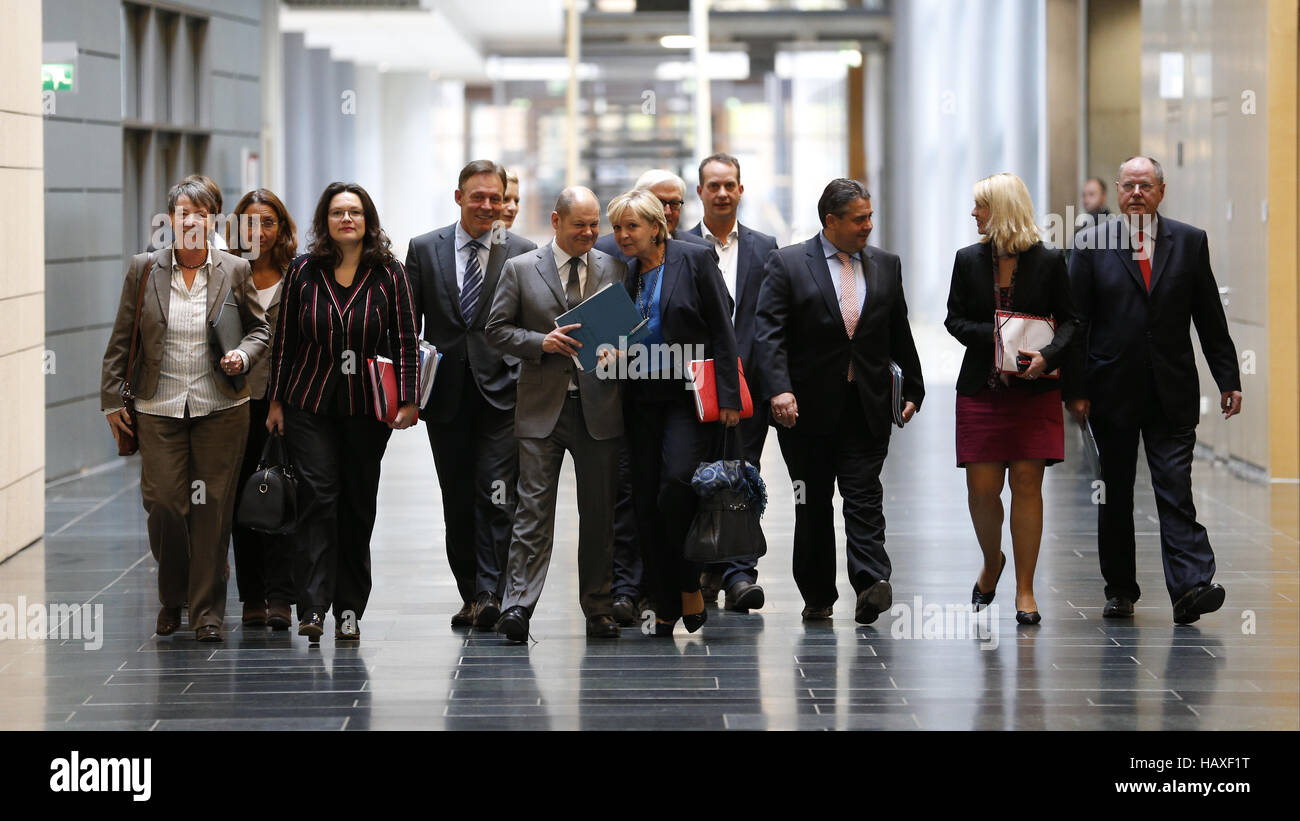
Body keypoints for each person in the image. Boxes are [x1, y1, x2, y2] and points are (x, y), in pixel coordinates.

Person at [1067, 156, 1242, 625]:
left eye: (1146, 186)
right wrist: (1075, 390)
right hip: (1110, 391)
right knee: (1115, 493)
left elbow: (1208, 315)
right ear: (1119, 193)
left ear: (1161, 191)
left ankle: (1191, 587)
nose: (1137, 194)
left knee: (1174, 488)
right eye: (1128, 186)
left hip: (1171, 390)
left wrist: (1228, 377)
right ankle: (1120, 588)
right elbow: (1076, 324)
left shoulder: (1188, 241)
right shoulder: (1089, 244)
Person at [101, 176, 270, 642]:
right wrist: (113, 398)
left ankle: (207, 612)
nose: (190, 221)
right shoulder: (144, 269)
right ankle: (171, 595)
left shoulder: (234, 269)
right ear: (169, 220)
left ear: (213, 219)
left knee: (213, 510)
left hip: (222, 406)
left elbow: (260, 330)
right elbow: (121, 338)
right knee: (165, 505)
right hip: (159, 405)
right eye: (182, 213)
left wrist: (245, 355)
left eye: (200, 213)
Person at [755, 179, 924, 624]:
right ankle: (817, 595)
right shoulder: (788, 264)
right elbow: (768, 332)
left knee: (864, 495)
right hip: (804, 411)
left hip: (866, 405)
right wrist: (779, 388)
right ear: (831, 221)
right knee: (811, 502)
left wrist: (914, 388)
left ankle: (871, 583)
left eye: (870, 216)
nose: (868, 225)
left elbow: (898, 330)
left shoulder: (886, 265)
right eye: (859, 219)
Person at [265, 182, 419, 642]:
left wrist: (409, 399)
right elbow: (286, 341)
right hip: (308, 401)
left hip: (366, 408)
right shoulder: (303, 271)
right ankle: (311, 606)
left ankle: (349, 609)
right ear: (325, 222)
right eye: (337, 213)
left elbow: (408, 339)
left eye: (354, 212)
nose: (346, 219)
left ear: (368, 220)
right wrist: (275, 400)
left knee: (356, 504)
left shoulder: (389, 272)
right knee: (319, 495)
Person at [485, 186, 627, 642]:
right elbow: (496, 329)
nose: (589, 233)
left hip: (599, 410)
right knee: (532, 510)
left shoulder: (616, 268)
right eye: (579, 225)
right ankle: (517, 607)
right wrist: (538, 343)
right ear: (555, 222)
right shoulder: (520, 269)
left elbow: (630, 334)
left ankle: (599, 608)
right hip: (541, 409)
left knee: (600, 513)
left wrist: (618, 351)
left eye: (594, 225)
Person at [944, 172, 1081, 626]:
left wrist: (1046, 355)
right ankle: (991, 561)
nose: (973, 214)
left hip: (1033, 391)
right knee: (982, 492)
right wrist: (1002, 336)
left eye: (980, 206)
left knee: (1027, 485)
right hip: (981, 390)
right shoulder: (967, 260)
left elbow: (1072, 322)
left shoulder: (1048, 261)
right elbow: (954, 320)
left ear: (1001, 209)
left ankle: (1025, 590)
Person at [406, 161, 537, 629]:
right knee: (457, 497)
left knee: (498, 496)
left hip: (504, 395)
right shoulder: (425, 249)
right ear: (458, 197)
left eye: (495, 198)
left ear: (505, 201)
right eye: (477, 196)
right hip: (445, 396)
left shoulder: (522, 251)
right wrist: (407, 394)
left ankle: (491, 592)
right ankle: (470, 592)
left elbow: (531, 323)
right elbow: (409, 327)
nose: (487, 205)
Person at [609, 187, 741, 636]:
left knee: (677, 486)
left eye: (632, 227)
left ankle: (687, 583)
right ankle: (666, 600)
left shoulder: (694, 258)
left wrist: (728, 398)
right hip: (638, 398)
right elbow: (611, 341)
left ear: (655, 227)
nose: (622, 236)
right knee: (644, 502)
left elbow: (724, 329)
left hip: (688, 396)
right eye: (617, 228)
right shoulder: (623, 274)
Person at [688, 152, 778, 613]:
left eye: (730, 185)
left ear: (741, 190)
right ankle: (705, 566)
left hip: (751, 387)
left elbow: (773, 319)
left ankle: (741, 574)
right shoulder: (681, 248)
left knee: (745, 473)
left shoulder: (766, 247)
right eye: (713, 186)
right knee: (699, 474)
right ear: (699, 192)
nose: (722, 193)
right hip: (697, 386)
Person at [224, 188, 298, 630]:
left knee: (284, 495)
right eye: (250, 222)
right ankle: (252, 596)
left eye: (268, 222)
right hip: (233, 402)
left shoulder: (300, 274)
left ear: (281, 228)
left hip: (287, 403)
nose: (259, 231)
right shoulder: (226, 274)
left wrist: (284, 399)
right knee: (242, 502)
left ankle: (282, 598)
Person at [594, 169, 713, 262]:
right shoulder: (603, 252)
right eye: (659, 202)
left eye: (674, 203)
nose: (667, 212)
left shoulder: (701, 250)